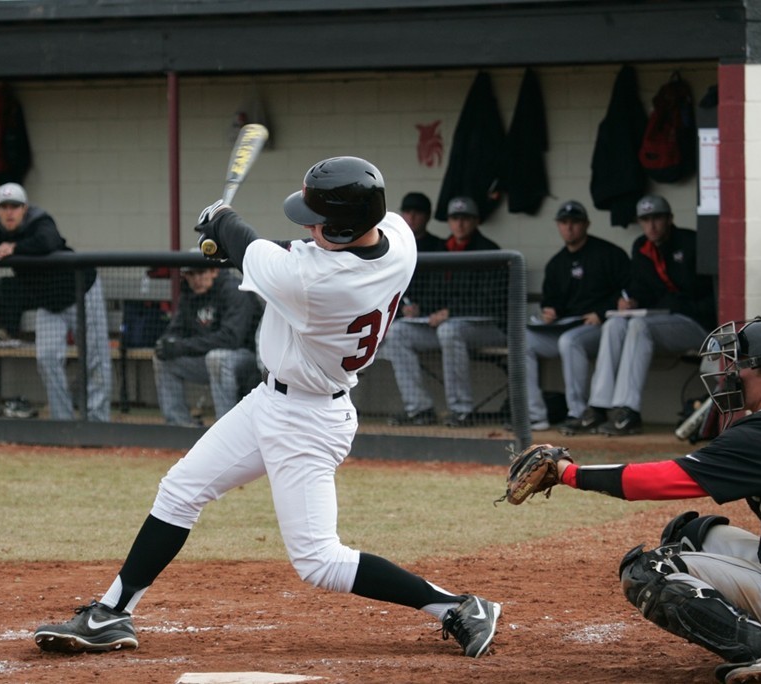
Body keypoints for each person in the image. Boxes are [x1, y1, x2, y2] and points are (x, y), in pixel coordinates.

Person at [33, 156, 501, 658]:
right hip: (270, 403)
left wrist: (219, 219)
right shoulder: (397, 239)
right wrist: (234, 247)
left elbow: (249, 243)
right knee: (180, 490)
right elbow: (270, 253)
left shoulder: (313, 283)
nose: (307, 227)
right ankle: (112, 613)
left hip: (309, 420)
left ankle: (457, 606)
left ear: (343, 229)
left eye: (318, 221)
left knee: (319, 561)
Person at [543, 316, 761, 684]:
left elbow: (661, 480)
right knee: (691, 534)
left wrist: (568, 473)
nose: (730, 376)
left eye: (741, 367)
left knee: (649, 572)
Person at [564, 194, 716, 436]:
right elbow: (642, 289)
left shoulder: (690, 242)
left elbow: (709, 294)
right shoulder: (640, 247)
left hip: (697, 323)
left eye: (656, 218)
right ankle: (600, 405)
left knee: (638, 326)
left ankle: (628, 410)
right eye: (645, 220)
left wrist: (670, 303)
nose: (651, 225)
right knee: (614, 324)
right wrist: (631, 300)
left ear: (669, 219)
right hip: (661, 320)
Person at [0, 183, 112, 421]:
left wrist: (15, 248)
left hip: (82, 291)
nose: (9, 212)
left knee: (95, 357)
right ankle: (62, 420)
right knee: (47, 357)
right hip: (48, 302)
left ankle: (98, 420)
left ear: (25, 208)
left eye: (15, 206)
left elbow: (48, 241)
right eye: (4, 207)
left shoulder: (39, 220)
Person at [378, 196, 505, 427]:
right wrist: (420, 308)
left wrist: (451, 312)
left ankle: (461, 411)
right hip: (447, 325)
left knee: (449, 330)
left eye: (465, 218)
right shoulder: (442, 248)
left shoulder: (488, 249)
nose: (460, 224)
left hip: (486, 327)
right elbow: (433, 293)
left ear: (476, 221)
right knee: (397, 332)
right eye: (455, 218)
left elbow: (491, 301)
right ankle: (419, 409)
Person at [526, 200, 630, 431]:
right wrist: (549, 311)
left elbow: (627, 292)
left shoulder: (608, 254)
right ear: (558, 225)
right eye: (564, 222)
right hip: (567, 327)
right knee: (524, 340)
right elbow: (551, 299)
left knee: (570, 341)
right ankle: (535, 414)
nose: (569, 227)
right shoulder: (556, 263)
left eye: (575, 222)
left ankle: (579, 412)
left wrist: (602, 313)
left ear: (586, 224)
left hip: (601, 327)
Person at [153, 259, 261, 427]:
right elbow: (176, 328)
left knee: (216, 358)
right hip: (207, 357)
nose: (196, 279)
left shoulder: (234, 289)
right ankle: (178, 424)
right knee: (163, 360)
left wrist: (183, 347)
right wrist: (167, 343)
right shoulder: (189, 293)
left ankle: (226, 428)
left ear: (214, 271)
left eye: (201, 272)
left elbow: (231, 338)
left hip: (246, 360)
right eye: (190, 274)